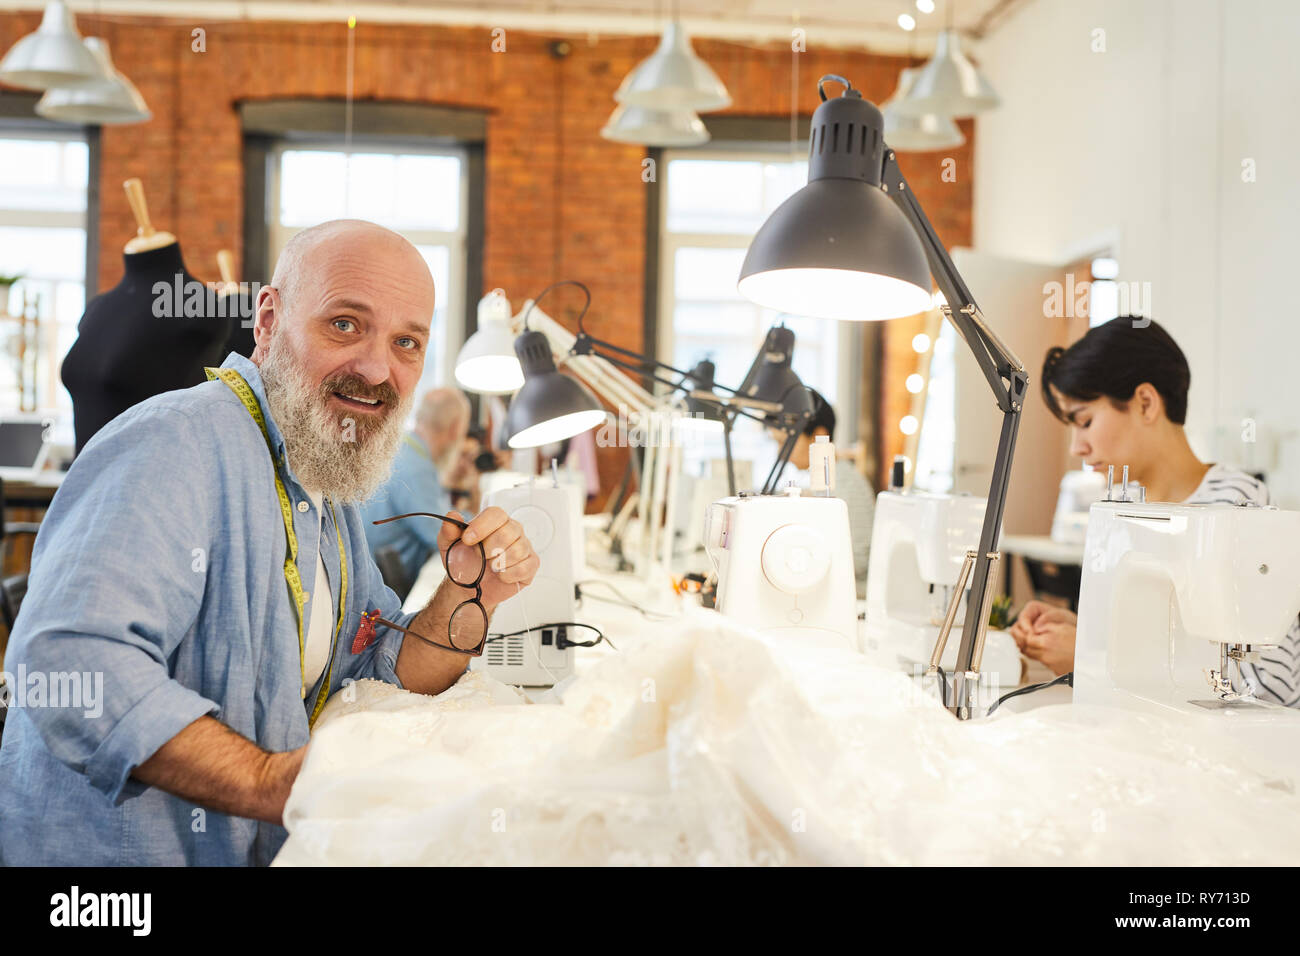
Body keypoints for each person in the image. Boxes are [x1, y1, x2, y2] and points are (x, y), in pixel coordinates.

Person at [0, 219, 540, 865]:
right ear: (267, 320)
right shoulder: (174, 443)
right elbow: (68, 665)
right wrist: (268, 781)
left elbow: (380, 668)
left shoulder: (322, 485)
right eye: (345, 324)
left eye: (406, 343)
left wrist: (469, 591)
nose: (376, 368)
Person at [1009, 316, 1298, 704]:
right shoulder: (1121, 510)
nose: (1077, 447)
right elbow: (1153, 642)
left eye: (1085, 421)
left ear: (1145, 403)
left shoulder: (1237, 506)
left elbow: (1271, 688)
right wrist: (1083, 632)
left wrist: (1091, 656)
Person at [361, 386, 471, 582]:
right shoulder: (415, 468)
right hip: (388, 586)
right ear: (455, 429)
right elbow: (439, 532)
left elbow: (437, 511)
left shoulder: (406, 450)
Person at [772, 390, 875, 597]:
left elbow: (858, 561)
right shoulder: (824, 482)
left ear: (818, 437)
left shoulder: (845, 485)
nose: (779, 453)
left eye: (785, 442)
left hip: (849, 597)